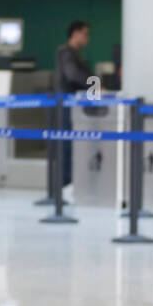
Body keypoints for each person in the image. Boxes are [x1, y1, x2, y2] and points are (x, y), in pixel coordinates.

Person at [53, 21, 94, 191]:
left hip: (74, 105)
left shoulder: (76, 54)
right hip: (66, 104)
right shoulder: (66, 53)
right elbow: (73, 75)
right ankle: (65, 185)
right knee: (66, 146)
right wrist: (95, 86)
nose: (87, 38)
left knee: (72, 145)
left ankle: (70, 184)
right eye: (85, 33)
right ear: (75, 33)